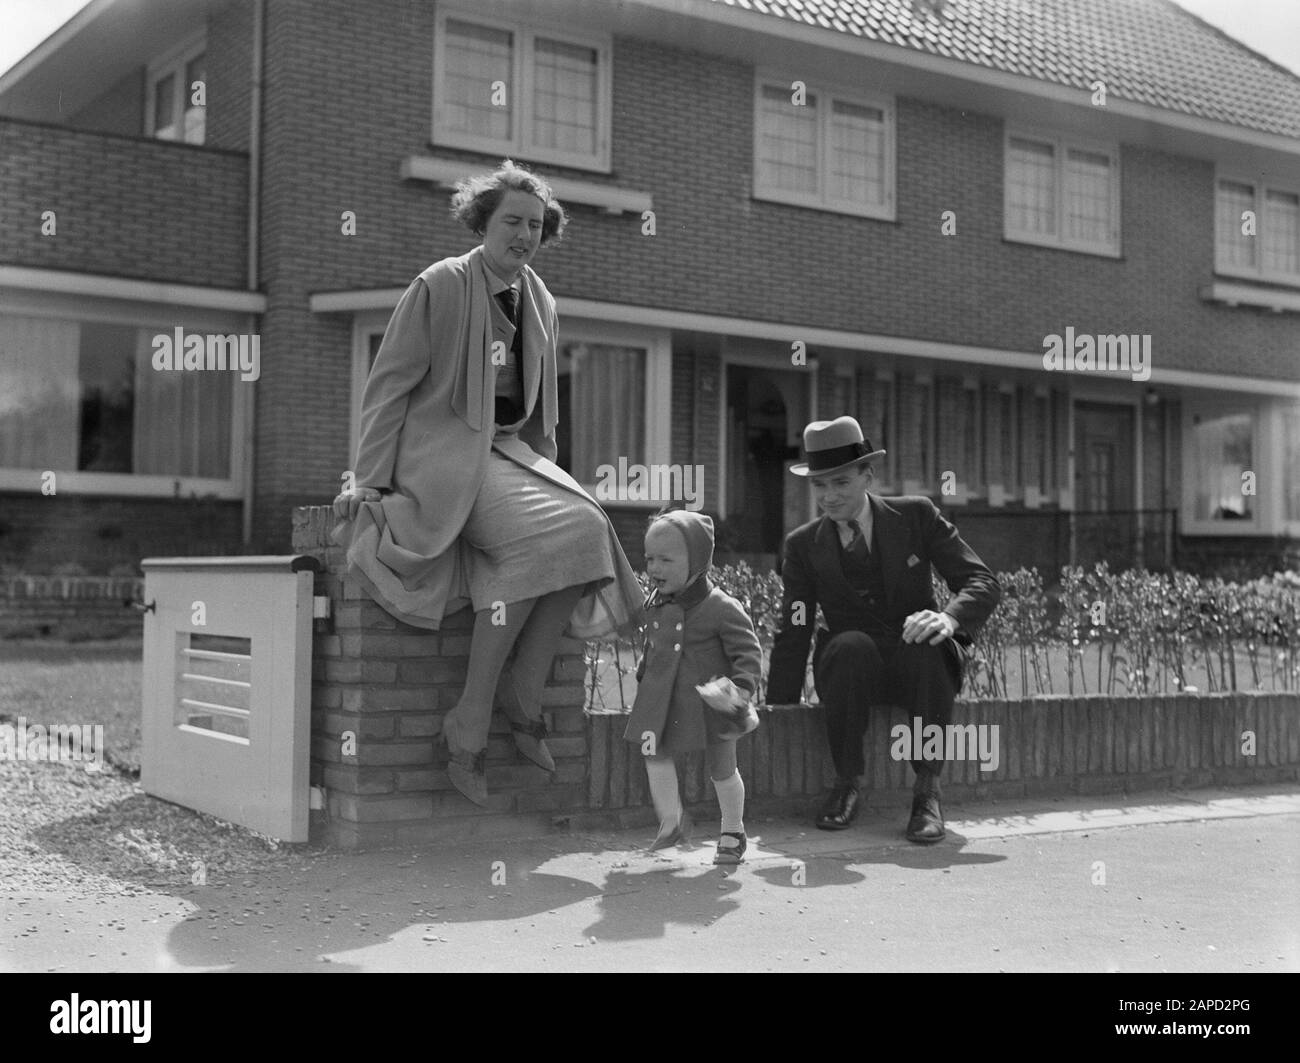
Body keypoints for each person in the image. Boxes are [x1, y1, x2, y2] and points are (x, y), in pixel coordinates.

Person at [332, 160, 643, 807]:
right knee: (542, 544)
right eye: (511, 221)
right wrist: (368, 480)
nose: (524, 235)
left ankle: (518, 691)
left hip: (508, 455)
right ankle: (475, 713)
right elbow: (388, 386)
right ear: (483, 221)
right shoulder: (441, 284)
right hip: (440, 457)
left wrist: (554, 476)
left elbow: (544, 415)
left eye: (536, 225)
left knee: (586, 526)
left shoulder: (541, 302)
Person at [764, 416, 1001, 842]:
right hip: (853, 669)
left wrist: (948, 618)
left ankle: (928, 791)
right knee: (849, 645)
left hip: (920, 664)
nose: (829, 496)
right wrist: (777, 710)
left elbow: (981, 581)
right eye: (819, 486)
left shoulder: (916, 516)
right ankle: (847, 784)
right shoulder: (802, 546)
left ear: (867, 476)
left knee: (929, 644)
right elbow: (796, 624)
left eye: (841, 483)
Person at [624, 510, 763, 864]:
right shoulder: (656, 602)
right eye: (649, 558)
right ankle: (672, 822)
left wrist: (741, 689)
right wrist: (644, 674)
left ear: (698, 562)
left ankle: (733, 831)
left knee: (722, 768)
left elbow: (747, 652)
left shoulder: (721, 607)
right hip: (663, 702)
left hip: (711, 705)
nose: (654, 568)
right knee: (654, 753)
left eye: (666, 560)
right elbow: (653, 646)